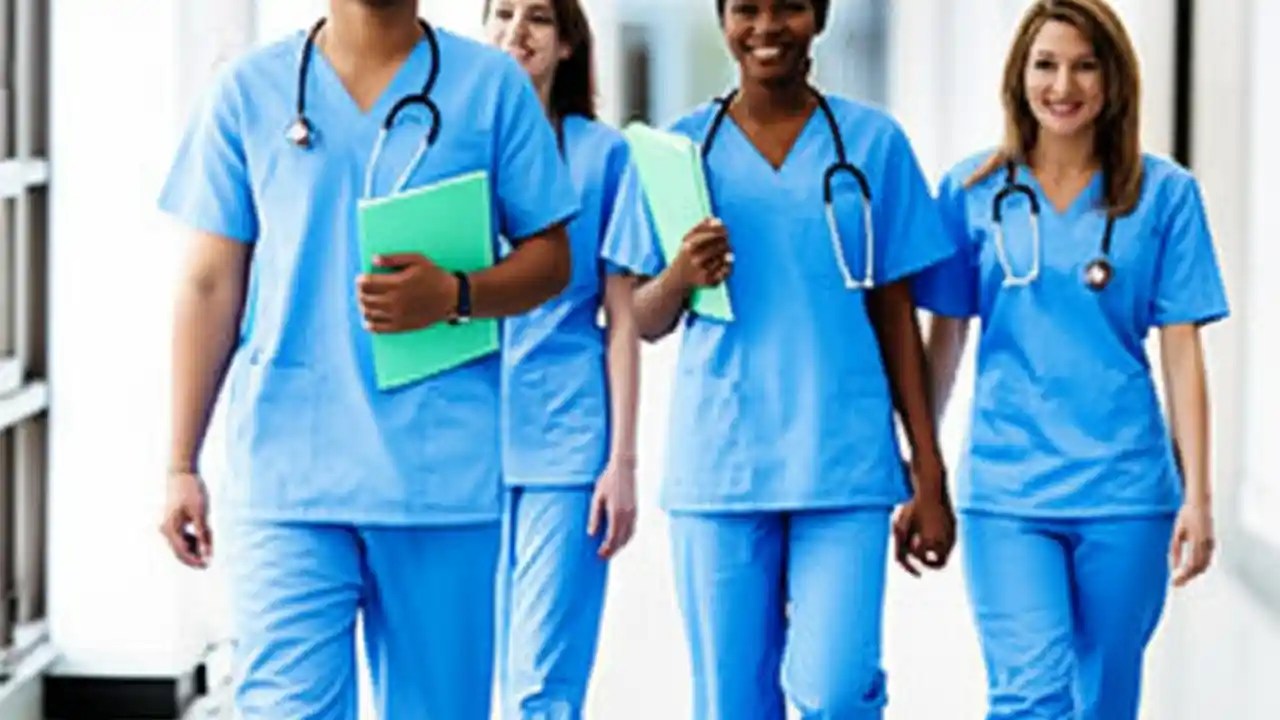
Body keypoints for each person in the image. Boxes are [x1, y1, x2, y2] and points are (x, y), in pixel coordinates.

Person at [155, 0, 578, 717]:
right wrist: (179, 462)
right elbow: (208, 283)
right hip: (288, 474)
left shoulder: (489, 88)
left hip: (437, 477)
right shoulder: (249, 92)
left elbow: (551, 257)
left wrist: (458, 293)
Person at [630, 1, 958, 717]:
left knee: (837, 691)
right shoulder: (678, 152)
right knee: (733, 701)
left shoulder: (874, 146)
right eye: (746, 9)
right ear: (722, 20)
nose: (766, 27)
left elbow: (896, 318)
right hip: (721, 467)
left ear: (820, 16)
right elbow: (641, 319)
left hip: (841, 464)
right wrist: (680, 275)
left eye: (788, 8)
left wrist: (928, 473)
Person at [914, 1, 1229, 718]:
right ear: (1018, 76)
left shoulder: (1166, 196)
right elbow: (946, 339)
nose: (1065, 85)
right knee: (1030, 692)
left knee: (1104, 699)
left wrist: (1199, 498)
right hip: (1008, 490)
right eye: (1047, 64)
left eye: (1086, 65)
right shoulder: (971, 193)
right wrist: (922, 464)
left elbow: (1183, 353)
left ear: (1115, 80)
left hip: (1126, 491)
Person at [481, 0, 650, 717]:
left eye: (539, 18)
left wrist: (623, 460)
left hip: (566, 440)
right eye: (502, 12)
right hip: (464, 437)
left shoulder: (602, 155)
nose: (517, 31)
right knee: (467, 669)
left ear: (568, 44)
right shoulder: (450, 146)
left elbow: (623, 319)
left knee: (542, 679)